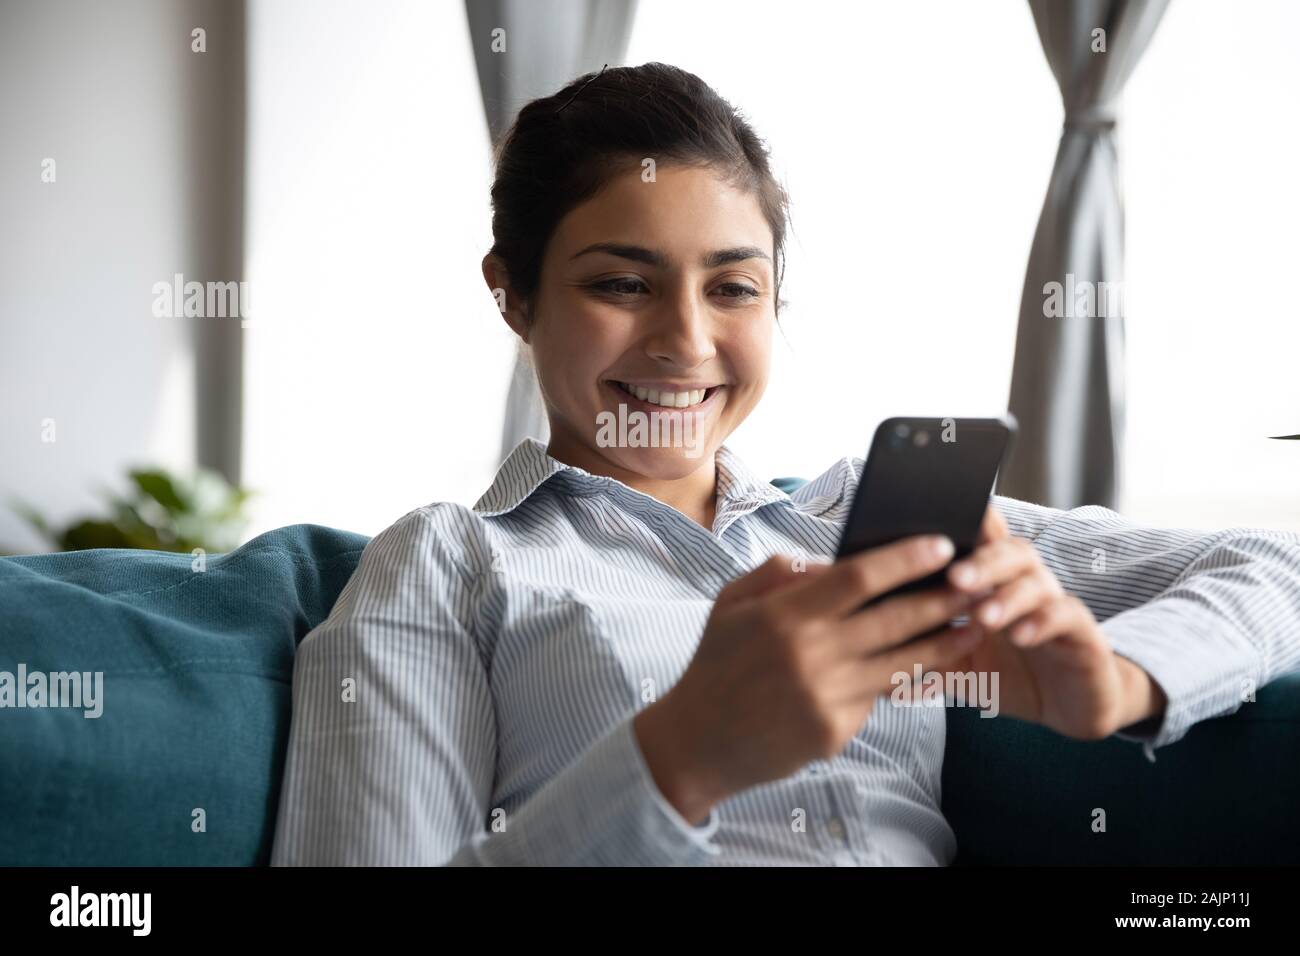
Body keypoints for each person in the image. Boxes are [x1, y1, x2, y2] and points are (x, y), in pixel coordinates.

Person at [270, 62, 1300, 866]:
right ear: (514, 294)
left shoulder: (872, 526)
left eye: (732, 288)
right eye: (623, 283)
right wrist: (677, 759)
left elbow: (1272, 565)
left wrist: (1122, 683)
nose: (684, 340)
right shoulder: (447, 565)